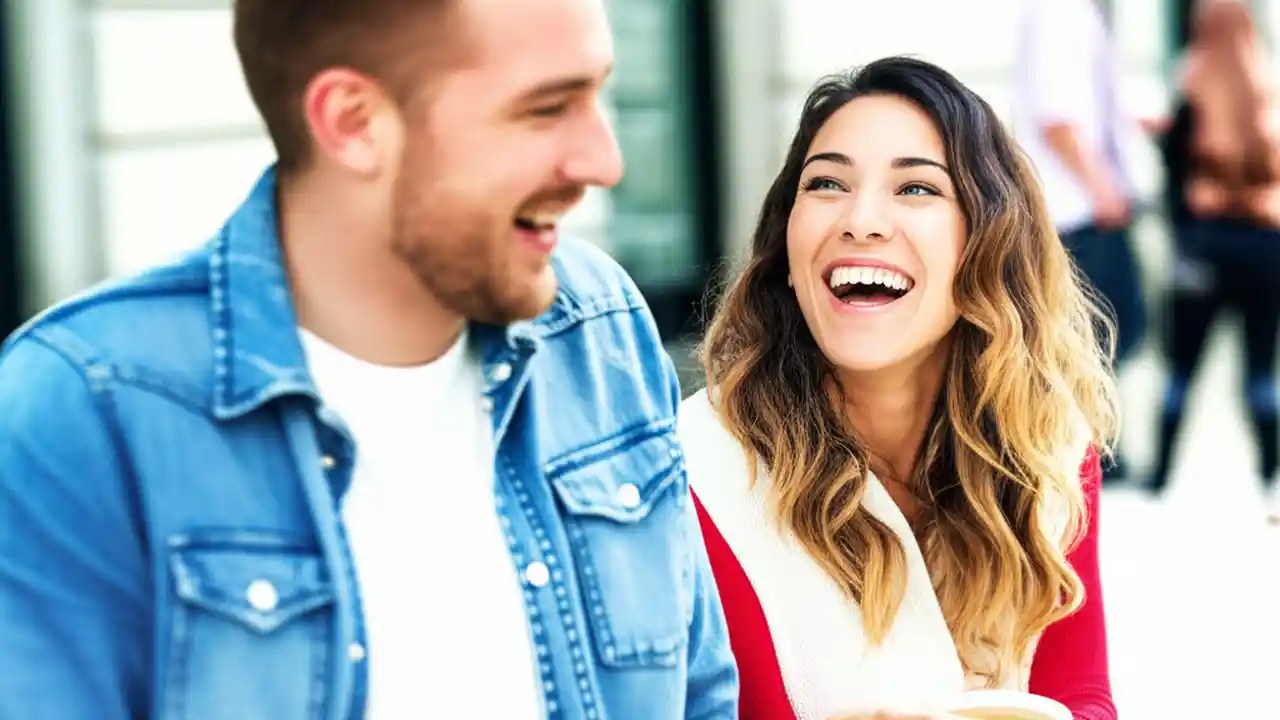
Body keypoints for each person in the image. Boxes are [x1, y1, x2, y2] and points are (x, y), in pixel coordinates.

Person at [0, 1, 739, 718]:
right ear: (353, 122)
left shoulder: (596, 328)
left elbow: (700, 698)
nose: (605, 162)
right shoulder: (84, 409)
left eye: (598, 95)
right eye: (546, 109)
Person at [680, 57, 1119, 719]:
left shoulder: (1047, 442)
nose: (862, 220)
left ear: (988, 243)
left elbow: (1082, 692)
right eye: (826, 183)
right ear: (787, 251)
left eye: (916, 189)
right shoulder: (699, 470)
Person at [1152, 0, 1280, 515]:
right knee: (1260, 373)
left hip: (1205, 245)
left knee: (1181, 368)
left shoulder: (1191, 87)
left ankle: (1160, 478)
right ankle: (1271, 476)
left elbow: (1173, 182)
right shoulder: (1269, 89)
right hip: (1266, 247)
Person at [1013, 0, 1148, 482]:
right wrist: (1102, 188)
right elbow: (1058, 120)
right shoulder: (1060, 13)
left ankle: (1094, 452)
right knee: (1093, 341)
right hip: (1077, 212)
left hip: (1085, 209)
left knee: (1106, 337)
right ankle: (1089, 456)